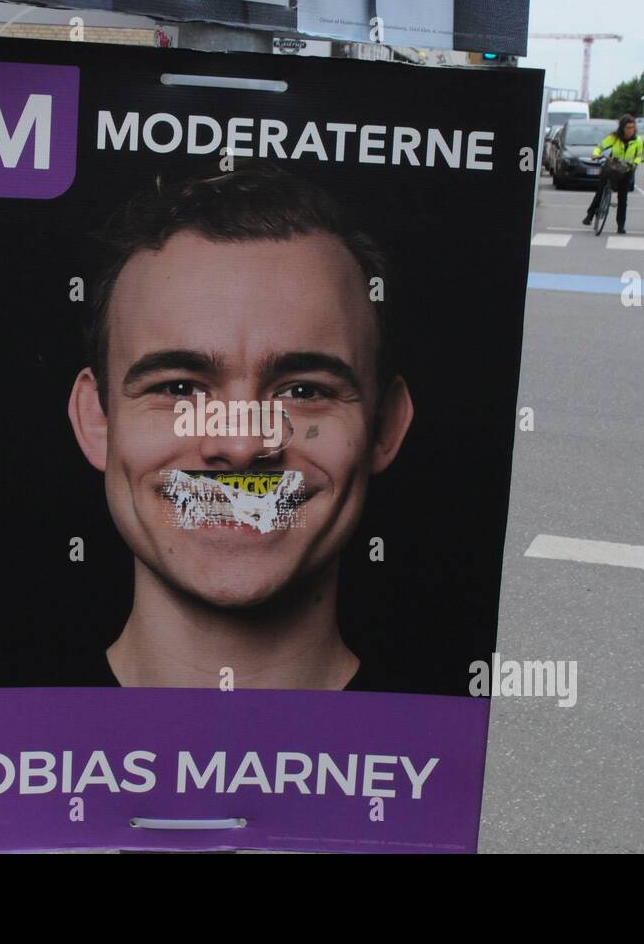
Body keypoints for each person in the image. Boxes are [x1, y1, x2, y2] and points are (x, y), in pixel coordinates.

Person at [67, 164, 415, 692]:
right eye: (180, 388)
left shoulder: (435, 754)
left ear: (385, 426)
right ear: (96, 420)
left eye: (303, 391)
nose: (241, 444)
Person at [581, 114, 644, 234]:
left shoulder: (638, 140)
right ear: (622, 128)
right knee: (600, 191)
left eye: (632, 127)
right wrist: (596, 153)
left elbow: (638, 155)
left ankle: (621, 225)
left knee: (623, 199)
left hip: (626, 170)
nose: (630, 130)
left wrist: (635, 163)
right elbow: (600, 147)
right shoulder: (614, 137)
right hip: (612, 168)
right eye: (628, 128)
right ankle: (590, 215)